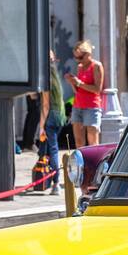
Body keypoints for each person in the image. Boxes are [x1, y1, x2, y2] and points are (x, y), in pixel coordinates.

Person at [36, 49, 65, 196]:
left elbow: (45, 105)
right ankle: (47, 181)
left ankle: (56, 183)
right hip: (60, 116)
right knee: (48, 149)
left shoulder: (46, 79)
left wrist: (41, 127)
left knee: (52, 150)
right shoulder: (55, 76)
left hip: (51, 118)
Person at [66, 40, 104, 147]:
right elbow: (77, 90)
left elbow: (97, 89)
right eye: (76, 58)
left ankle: (94, 163)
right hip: (77, 106)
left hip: (91, 107)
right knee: (79, 142)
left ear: (88, 54)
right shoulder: (80, 67)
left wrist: (79, 83)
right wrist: (72, 82)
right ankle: (81, 164)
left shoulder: (96, 66)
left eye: (80, 57)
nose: (78, 60)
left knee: (92, 142)